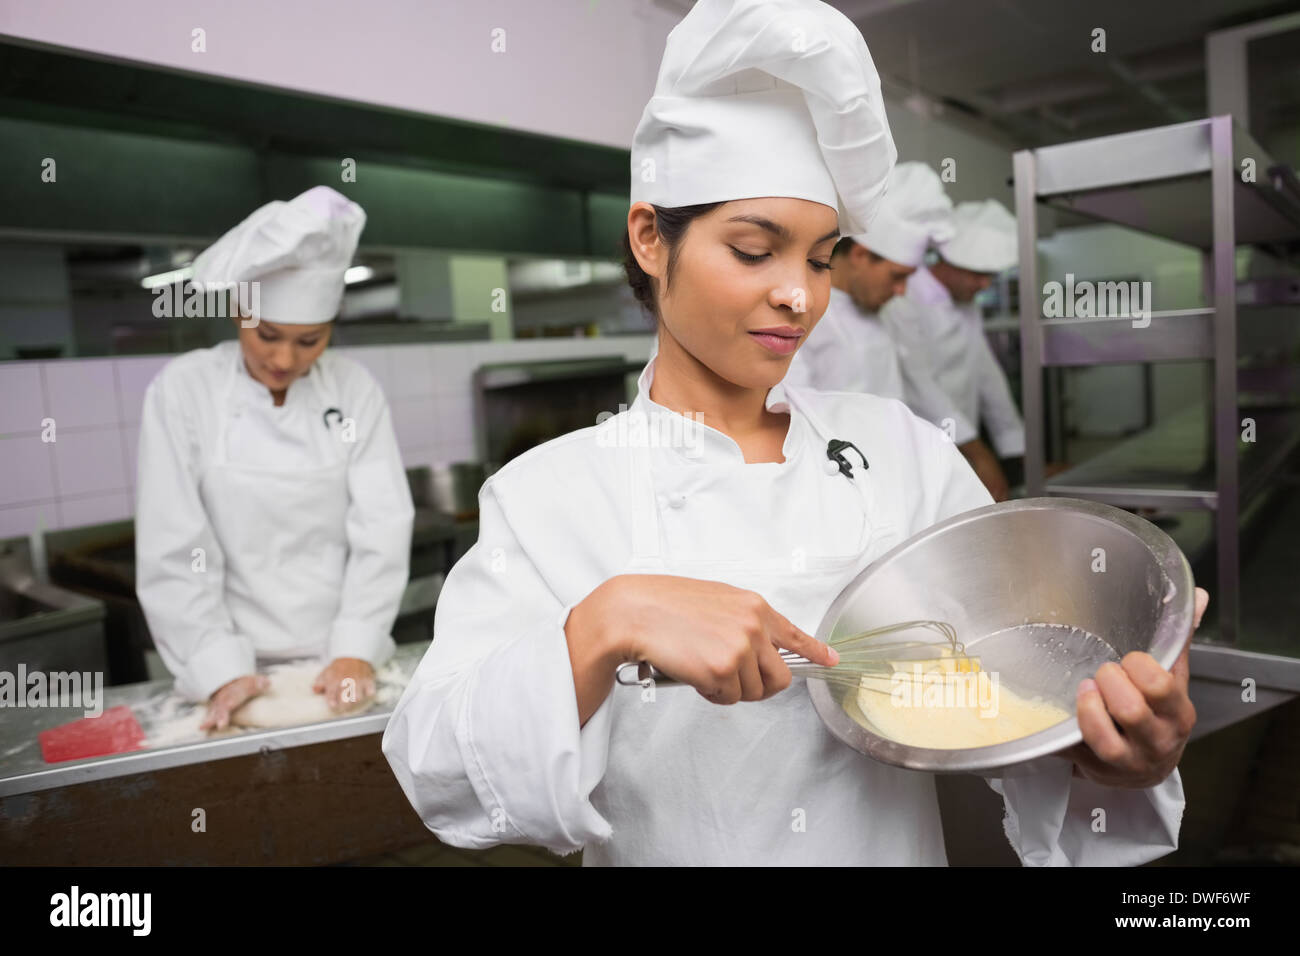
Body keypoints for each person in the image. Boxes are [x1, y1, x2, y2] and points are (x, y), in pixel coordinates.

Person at [383, 0, 1205, 866]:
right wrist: (605, 623)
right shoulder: (549, 495)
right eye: (753, 250)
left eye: (820, 257)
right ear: (650, 239)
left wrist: (1114, 758)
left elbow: (1017, 700)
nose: (800, 296)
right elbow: (440, 768)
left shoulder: (901, 452)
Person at [135, 185, 415, 731]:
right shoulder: (184, 390)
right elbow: (175, 542)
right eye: (268, 335)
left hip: (343, 655)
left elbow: (381, 528)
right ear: (240, 310)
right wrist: (217, 668)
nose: (285, 359)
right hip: (229, 659)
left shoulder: (354, 389)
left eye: (310, 341)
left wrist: (356, 646)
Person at [782, 162, 1010, 501]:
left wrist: (969, 455)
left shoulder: (884, 311)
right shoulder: (803, 312)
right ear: (860, 255)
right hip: (834, 486)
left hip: (892, 475)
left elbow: (916, 388)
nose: (902, 292)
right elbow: (791, 421)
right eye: (897, 276)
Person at [884, 198, 1029, 500]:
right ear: (948, 262)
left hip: (962, 438)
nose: (984, 284)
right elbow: (919, 383)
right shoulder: (903, 296)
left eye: (991, 275)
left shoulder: (967, 304)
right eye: (977, 274)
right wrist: (979, 454)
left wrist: (1017, 448)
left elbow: (987, 373)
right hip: (921, 443)